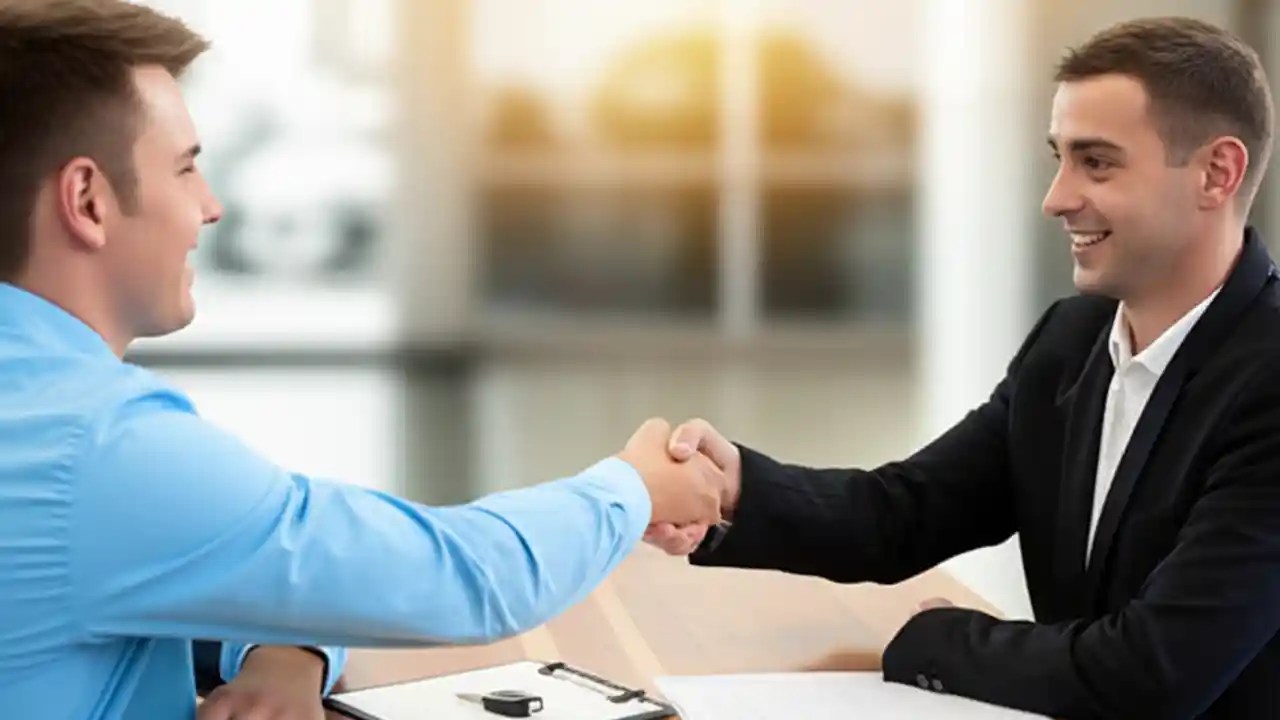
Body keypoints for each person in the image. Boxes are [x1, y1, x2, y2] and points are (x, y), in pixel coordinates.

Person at [0, 3, 725, 719]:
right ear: (88, 201)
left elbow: (160, 579)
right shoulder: (95, 449)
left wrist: (284, 654)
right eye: (186, 169)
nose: (212, 205)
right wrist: (636, 488)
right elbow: (462, 578)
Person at [645, 16, 1280, 719]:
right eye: (1059, 158)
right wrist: (736, 487)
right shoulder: (1070, 343)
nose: (1057, 197)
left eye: (1096, 163)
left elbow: (1153, 672)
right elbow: (910, 511)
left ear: (1217, 173)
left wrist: (940, 640)